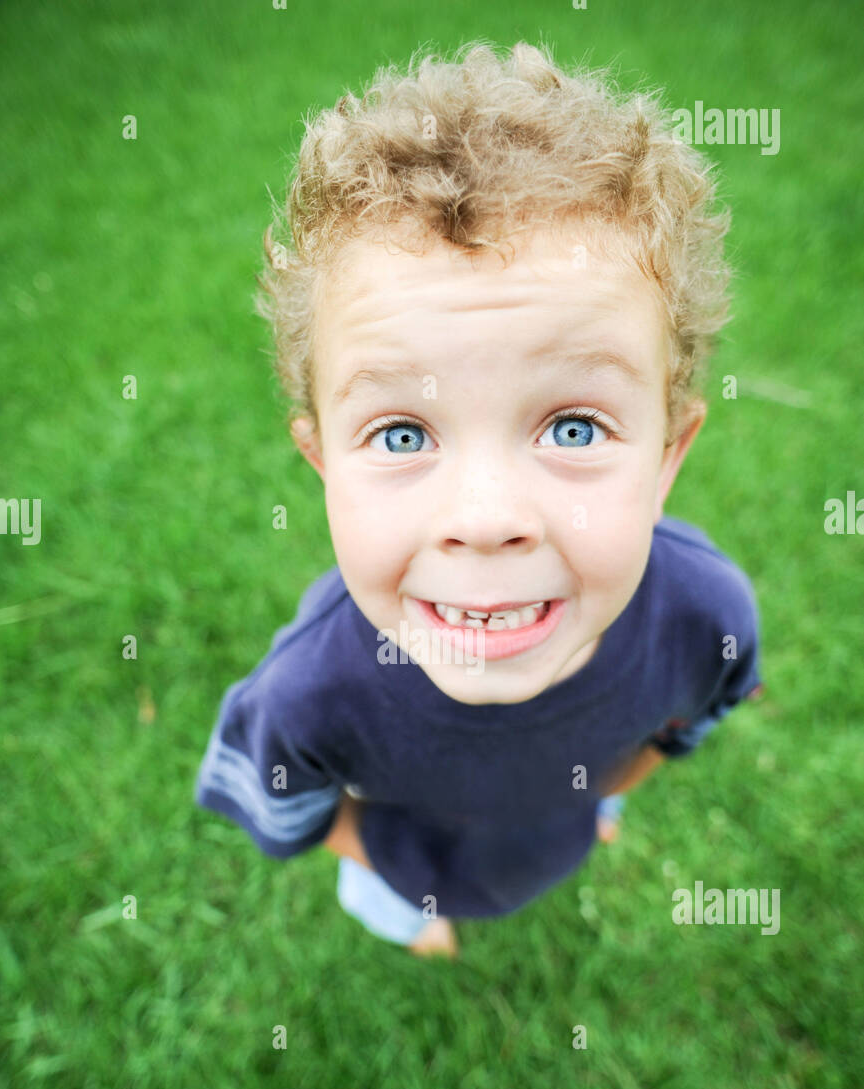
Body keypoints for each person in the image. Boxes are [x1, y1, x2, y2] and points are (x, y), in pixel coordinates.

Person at [195, 41, 764, 958]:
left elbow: (694, 714)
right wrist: (390, 859)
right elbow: (284, 805)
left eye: (572, 428)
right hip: (405, 864)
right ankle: (417, 914)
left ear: (667, 456)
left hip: (558, 826)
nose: (485, 518)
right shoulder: (309, 691)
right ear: (323, 466)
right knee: (402, 906)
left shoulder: (706, 614)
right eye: (402, 435)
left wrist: (598, 789)